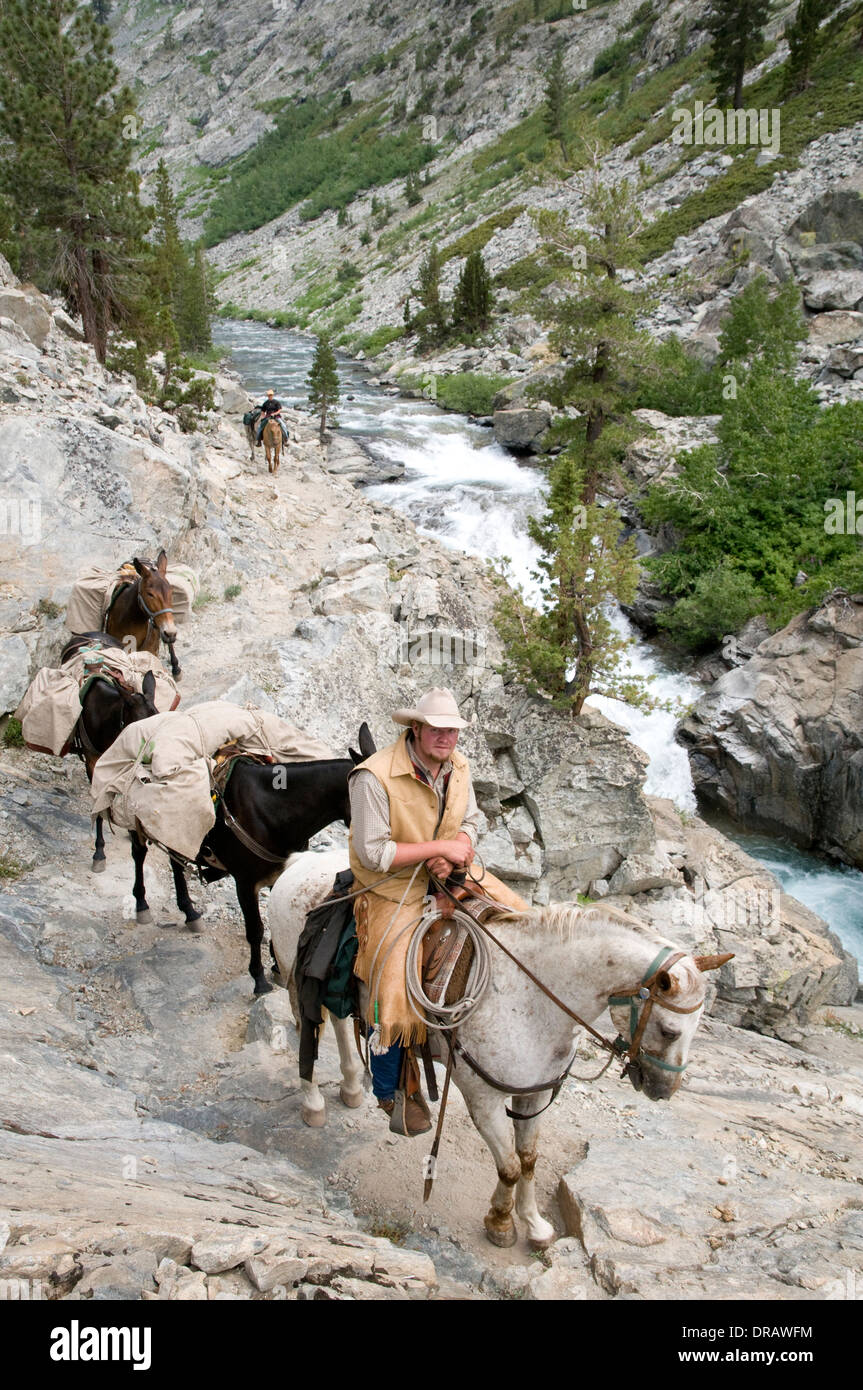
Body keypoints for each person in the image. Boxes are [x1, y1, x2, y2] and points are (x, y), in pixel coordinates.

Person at [348, 687, 528, 1136]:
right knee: (391, 987)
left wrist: (460, 847)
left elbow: (467, 820)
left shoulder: (458, 766)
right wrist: (438, 848)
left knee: (521, 916)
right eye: (437, 729)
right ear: (416, 728)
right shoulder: (372, 777)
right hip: (391, 889)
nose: (446, 737)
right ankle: (393, 1090)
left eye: (452, 730)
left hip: (451, 871)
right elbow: (372, 852)